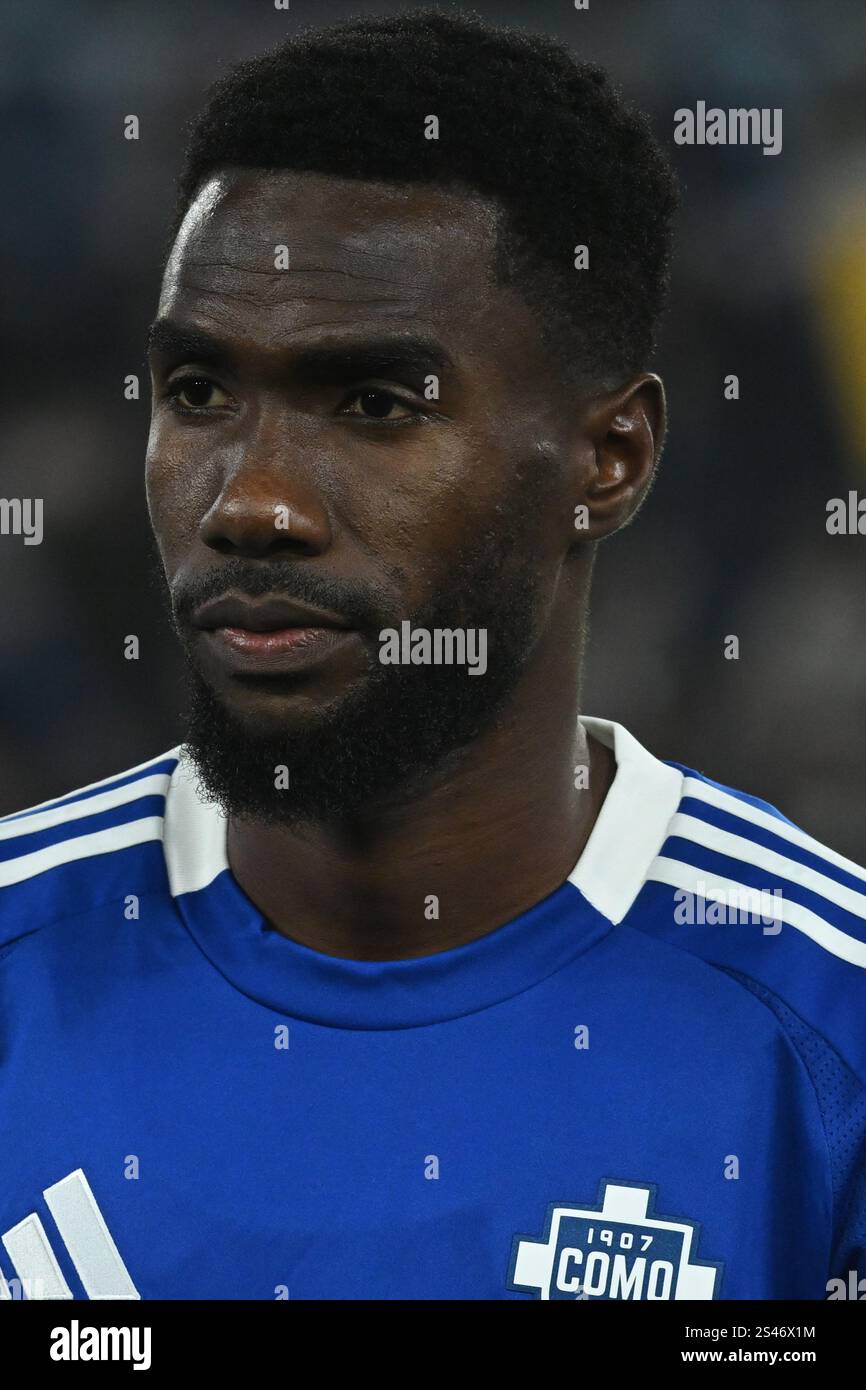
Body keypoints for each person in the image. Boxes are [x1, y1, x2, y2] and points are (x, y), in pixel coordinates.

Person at [1, 10, 863, 1302]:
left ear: (608, 460)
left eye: (374, 403)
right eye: (197, 393)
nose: (252, 501)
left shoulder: (824, 1035)